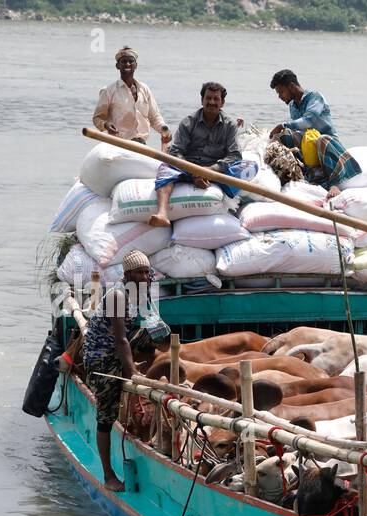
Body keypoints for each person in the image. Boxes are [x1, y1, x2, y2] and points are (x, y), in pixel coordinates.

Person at [83, 251, 152, 492]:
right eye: (140, 273)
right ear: (127, 275)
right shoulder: (117, 297)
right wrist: (132, 372)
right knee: (106, 416)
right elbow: (121, 340)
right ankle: (108, 475)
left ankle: (134, 396)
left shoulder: (137, 296)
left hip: (116, 351)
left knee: (151, 336)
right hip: (101, 358)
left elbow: (145, 329)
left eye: (147, 272)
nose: (145, 277)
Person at [148, 82, 248, 228]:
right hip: (188, 167)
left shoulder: (230, 125)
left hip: (215, 171)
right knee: (165, 167)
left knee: (246, 166)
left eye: (216, 99)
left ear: (222, 103)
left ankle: (214, 184)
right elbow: (176, 152)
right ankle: (162, 213)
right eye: (208, 98)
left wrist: (209, 171)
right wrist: (195, 172)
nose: (211, 102)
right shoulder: (188, 122)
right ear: (202, 100)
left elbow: (234, 155)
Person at [267, 69, 361, 196]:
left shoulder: (315, 97)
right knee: (285, 136)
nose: (280, 97)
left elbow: (309, 121)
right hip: (308, 147)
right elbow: (298, 130)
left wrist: (283, 125)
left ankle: (334, 184)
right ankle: (306, 175)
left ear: (291, 86)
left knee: (320, 139)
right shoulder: (293, 106)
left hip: (327, 145)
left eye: (281, 92)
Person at [92, 47, 170, 147]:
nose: (127, 64)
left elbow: (154, 118)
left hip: (141, 145)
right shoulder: (108, 91)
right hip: (117, 144)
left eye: (131, 61)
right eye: (124, 61)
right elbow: (97, 118)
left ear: (136, 65)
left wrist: (164, 129)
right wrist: (105, 125)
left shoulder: (144, 89)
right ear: (117, 66)